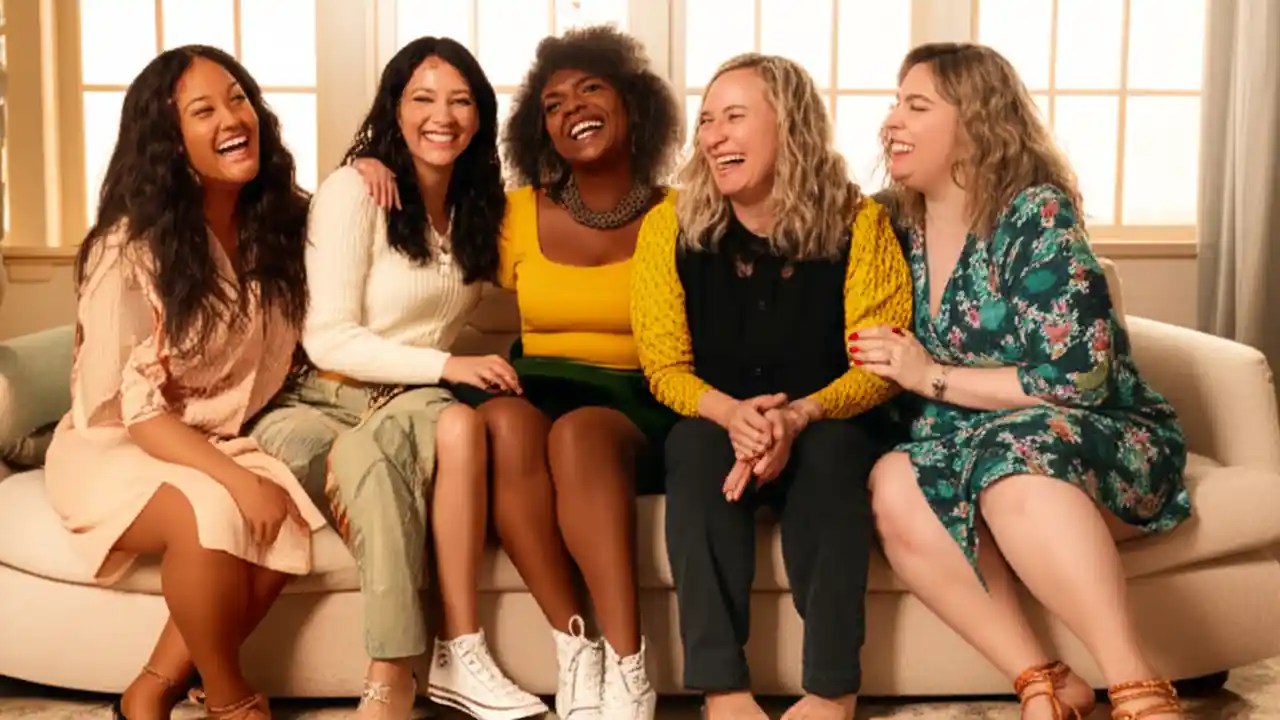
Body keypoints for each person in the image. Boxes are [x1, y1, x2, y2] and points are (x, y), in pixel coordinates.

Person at [356, 24, 682, 720]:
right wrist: (369, 164)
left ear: (635, 107)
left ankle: (630, 664)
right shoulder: (518, 213)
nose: (572, 110)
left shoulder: (678, 213)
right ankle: (576, 643)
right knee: (498, 421)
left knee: (577, 437)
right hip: (538, 384)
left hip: (636, 397)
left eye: (590, 90)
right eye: (554, 103)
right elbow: (427, 244)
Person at [857, 42, 1191, 720]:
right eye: (894, 103)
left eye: (916, 105)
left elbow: (1079, 377)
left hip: (1088, 436)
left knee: (1014, 464)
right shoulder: (888, 224)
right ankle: (1041, 679)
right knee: (892, 482)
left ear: (976, 123)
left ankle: (1135, 686)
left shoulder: (1033, 215)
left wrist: (932, 377)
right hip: (957, 447)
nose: (891, 120)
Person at [247, 37, 545, 720]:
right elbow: (328, 336)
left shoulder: (482, 212)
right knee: (372, 469)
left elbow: (555, 259)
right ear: (395, 108)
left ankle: (447, 659)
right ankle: (401, 675)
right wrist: (450, 363)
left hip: (411, 401)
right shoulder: (357, 190)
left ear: (481, 117)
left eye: (461, 100)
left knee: (459, 425)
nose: (443, 116)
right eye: (422, 99)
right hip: (321, 398)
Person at [43, 45, 327, 720]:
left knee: (281, 519)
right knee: (213, 513)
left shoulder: (280, 228)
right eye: (204, 110)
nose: (234, 117)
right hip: (117, 442)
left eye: (238, 98)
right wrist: (234, 478)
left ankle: (150, 692)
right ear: (169, 142)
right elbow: (136, 412)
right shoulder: (129, 247)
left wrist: (372, 168)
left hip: (212, 436)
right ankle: (232, 699)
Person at [631, 53, 912, 720]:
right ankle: (724, 691)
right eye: (706, 121)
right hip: (718, 420)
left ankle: (831, 691)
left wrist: (798, 418)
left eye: (734, 117)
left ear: (789, 126)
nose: (715, 136)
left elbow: (879, 363)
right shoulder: (668, 225)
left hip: (824, 420)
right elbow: (665, 367)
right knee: (694, 451)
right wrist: (736, 418)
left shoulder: (858, 222)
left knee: (836, 454)